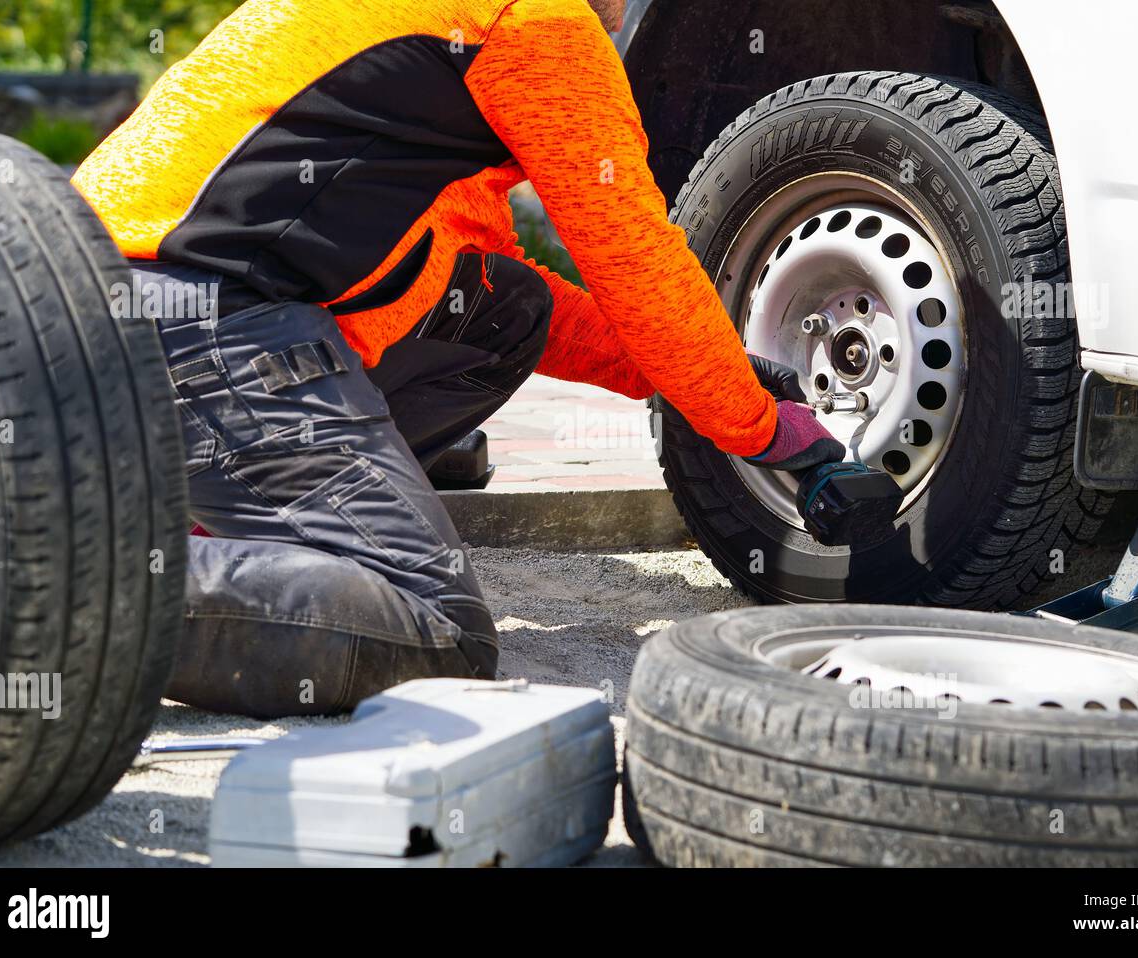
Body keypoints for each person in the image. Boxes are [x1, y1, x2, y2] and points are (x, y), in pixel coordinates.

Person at [71, 0, 843, 718]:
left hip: (84, 318)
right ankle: (41, 593)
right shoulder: (537, 17)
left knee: (504, 308)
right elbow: (635, 256)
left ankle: (248, 527)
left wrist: (698, 377)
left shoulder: (439, 31)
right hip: (202, 322)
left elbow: (474, 272)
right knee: (434, 625)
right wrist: (757, 428)